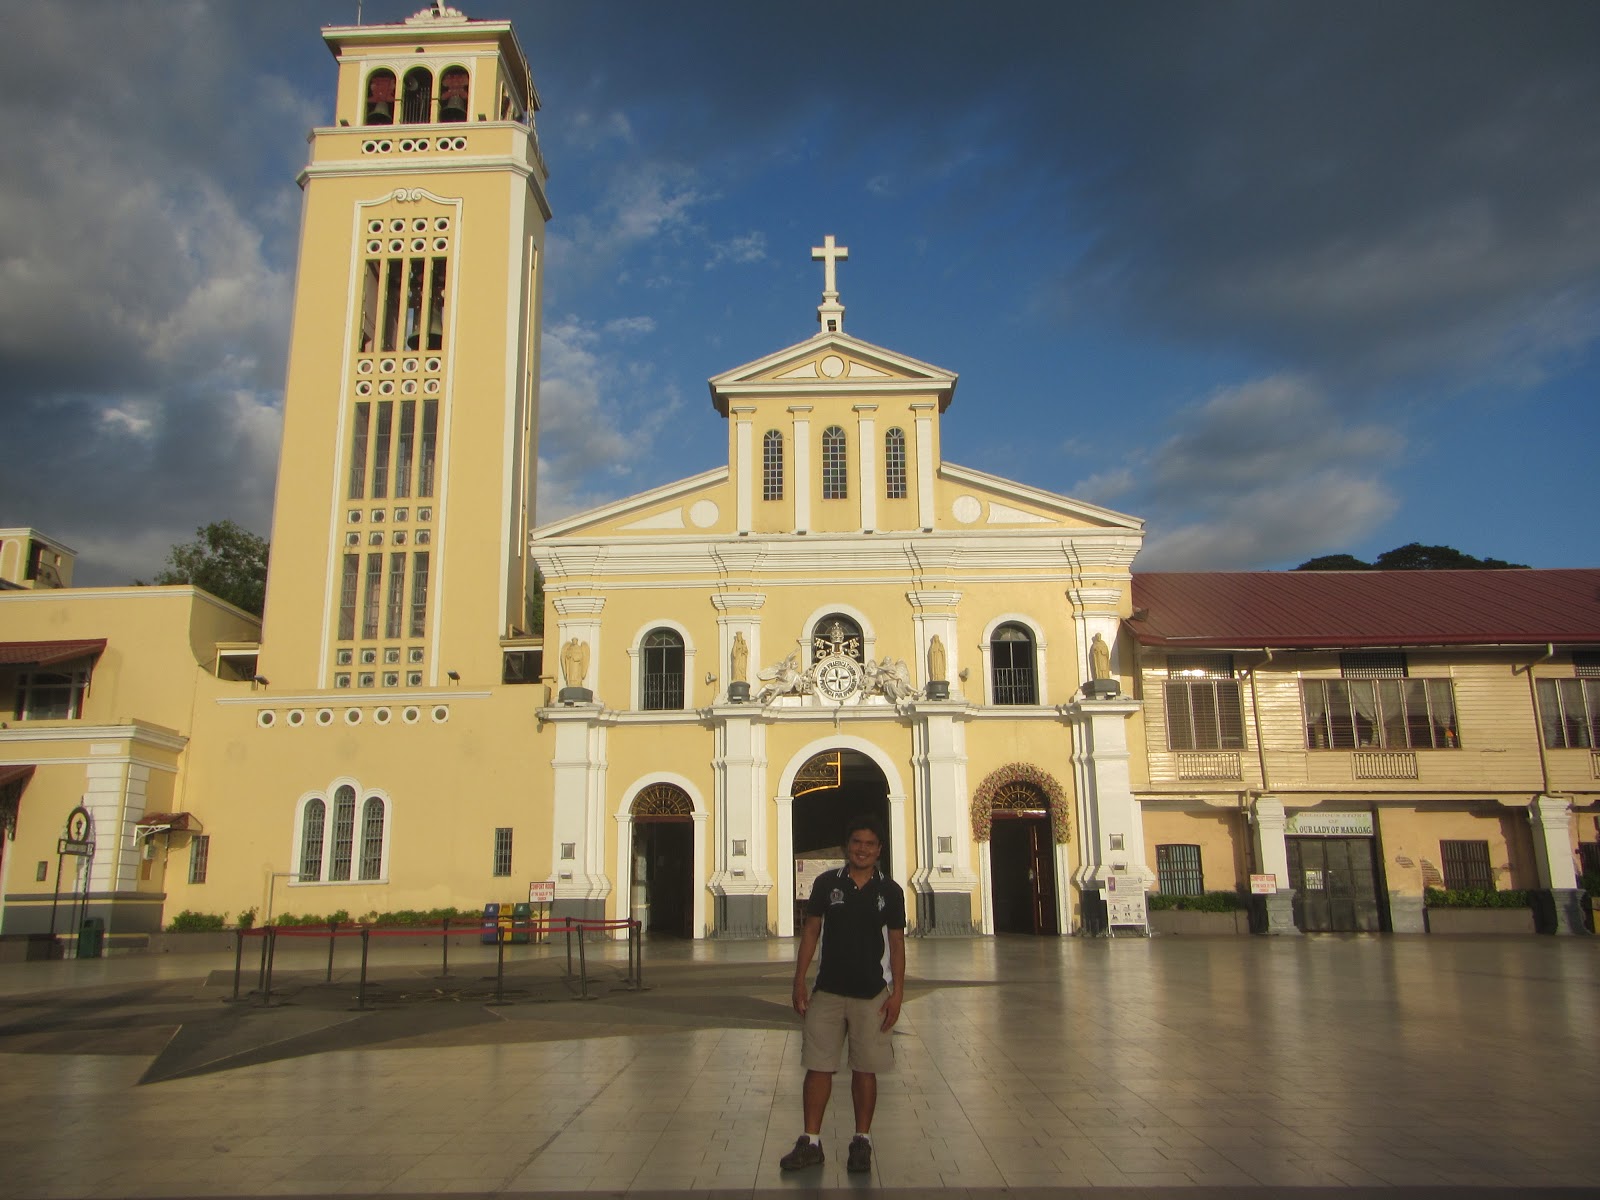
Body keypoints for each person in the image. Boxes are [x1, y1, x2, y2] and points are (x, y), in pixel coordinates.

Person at [780, 815, 906, 1175]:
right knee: (817, 1066)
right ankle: (811, 1141)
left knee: (865, 1069)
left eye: (869, 844)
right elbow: (811, 932)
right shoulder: (826, 883)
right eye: (856, 842)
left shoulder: (890, 891)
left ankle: (861, 1141)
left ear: (879, 850)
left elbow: (897, 943)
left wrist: (897, 993)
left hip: (871, 993)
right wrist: (799, 980)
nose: (862, 849)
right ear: (846, 847)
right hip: (828, 991)